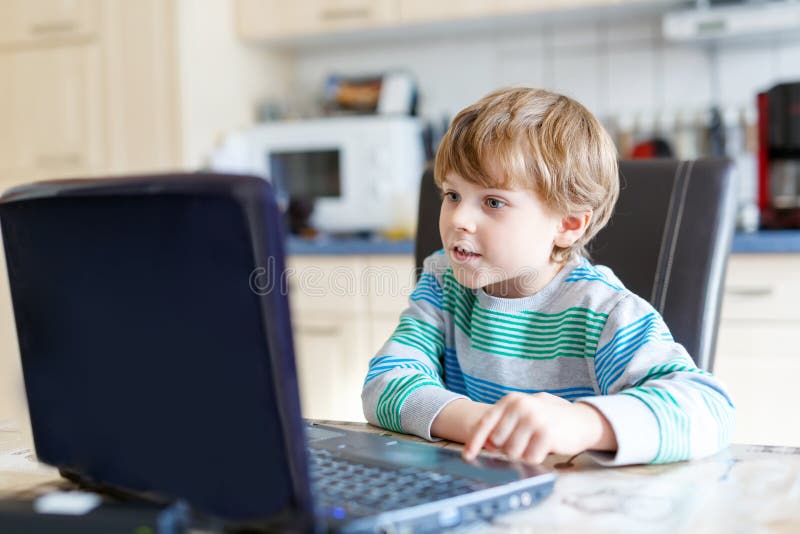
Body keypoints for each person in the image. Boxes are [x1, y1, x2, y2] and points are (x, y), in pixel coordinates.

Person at [361, 87, 735, 466]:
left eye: (493, 202)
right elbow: (384, 383)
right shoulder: (443, 282)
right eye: (452, 194)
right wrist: (484, 424)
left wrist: (584, 424)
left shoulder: (603, 312)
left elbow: (710, 410)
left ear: (569, 224)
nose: (458, 219)